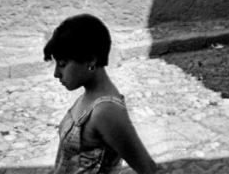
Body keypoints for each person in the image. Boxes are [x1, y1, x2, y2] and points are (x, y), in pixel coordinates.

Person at [44, 14, 158, 174]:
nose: (56, 73)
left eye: (63, 64)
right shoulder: (87, 96)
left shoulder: (106, 112)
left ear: (90, 60)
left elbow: (148, 169)